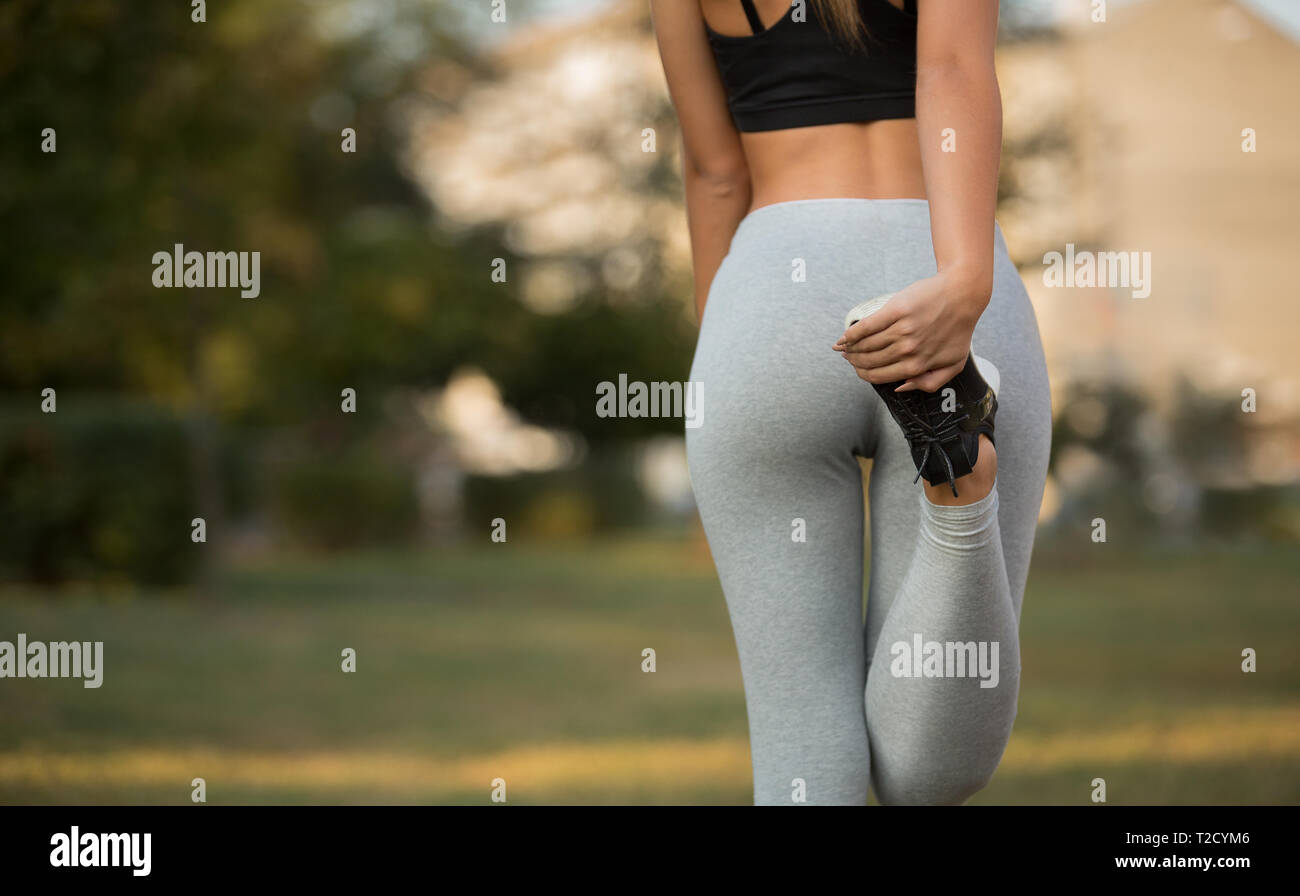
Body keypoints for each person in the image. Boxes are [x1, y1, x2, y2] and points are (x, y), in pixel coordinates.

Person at [651, 0, 1052, 804]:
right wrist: (965, 281)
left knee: (803, 752)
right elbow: (952, 70)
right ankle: (958, 494)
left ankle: (955, 489)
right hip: (939, 285)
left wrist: (724, 363)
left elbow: (715, 171)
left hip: (769, 295)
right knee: (928, 776)